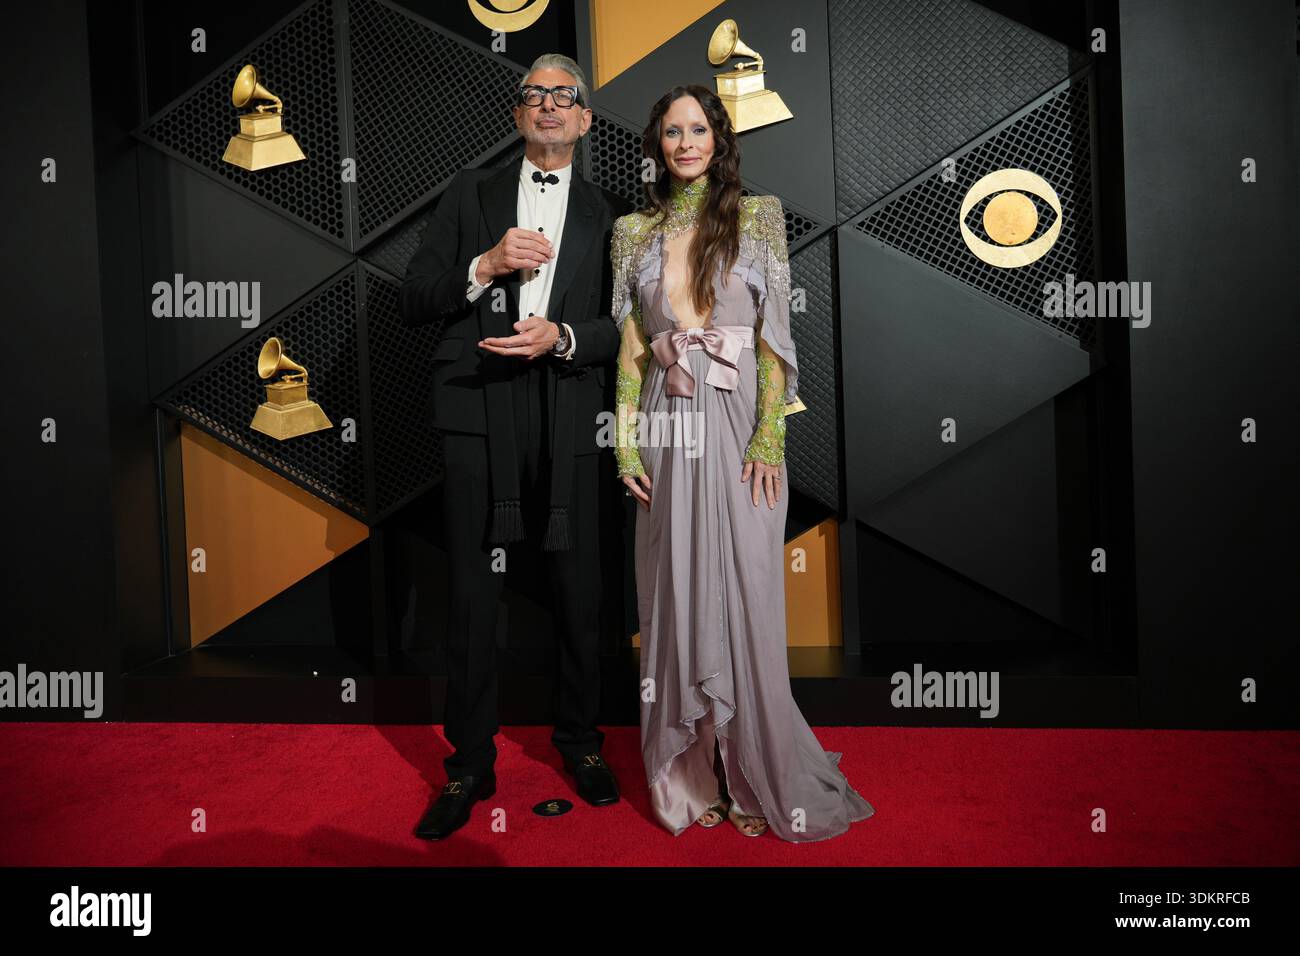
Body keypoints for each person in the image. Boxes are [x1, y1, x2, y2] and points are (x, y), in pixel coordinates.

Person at [611, 85, 875, 841]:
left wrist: (770, 439)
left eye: (698, 129)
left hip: (736, 425)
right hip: (667, 422)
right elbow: (633, 349)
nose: (685, 142)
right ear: (657, 145)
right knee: (674, 595)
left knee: (747, 596)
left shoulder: (759, 216)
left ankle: (757, 771)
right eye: (672, 132)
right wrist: (624, 440)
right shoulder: (632, 230)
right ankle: (695, 778)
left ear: (717, 138)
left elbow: (774, 339)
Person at [399, 53, 629, 840]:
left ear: (586, 119)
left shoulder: (612, 211)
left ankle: (582, 744)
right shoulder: (469, 192)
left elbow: (628, 328)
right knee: (471, 595)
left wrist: (563, 335)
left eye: (566, 96)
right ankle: (467, 765)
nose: (550, 106)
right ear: (518, 112)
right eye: (535, 94)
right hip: (475, 409)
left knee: (581, 592)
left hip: (568, 407)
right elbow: (414, 297)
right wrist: (485, 264)